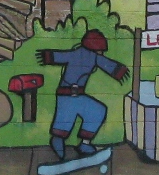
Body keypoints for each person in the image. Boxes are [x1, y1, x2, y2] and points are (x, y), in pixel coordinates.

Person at [38, 29, 128, 162]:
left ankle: (83, 144)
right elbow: (105, 63)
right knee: (67, 120)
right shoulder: (88, 55)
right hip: (67, 95)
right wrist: (119, 71)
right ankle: (64, 141)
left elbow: (60, 56)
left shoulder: (82, 54)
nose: (102, 52)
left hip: (76, 95)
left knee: (96, 111)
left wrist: (48, 56)